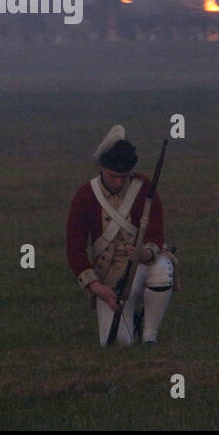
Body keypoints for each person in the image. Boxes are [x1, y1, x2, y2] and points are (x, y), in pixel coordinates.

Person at [65, 125, 174, 347]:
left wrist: (145, 252)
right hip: (109, 278)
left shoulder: (144, 188)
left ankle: (149, 336)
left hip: (141, 266)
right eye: (113, 176)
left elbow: (155, 233)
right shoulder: (85, 196)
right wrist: (97, 288)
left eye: (123, 177)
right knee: (117, 344)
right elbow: (75, 249)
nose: (118, 182)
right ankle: (134, 321)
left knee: (162, 270)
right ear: (102, 168)